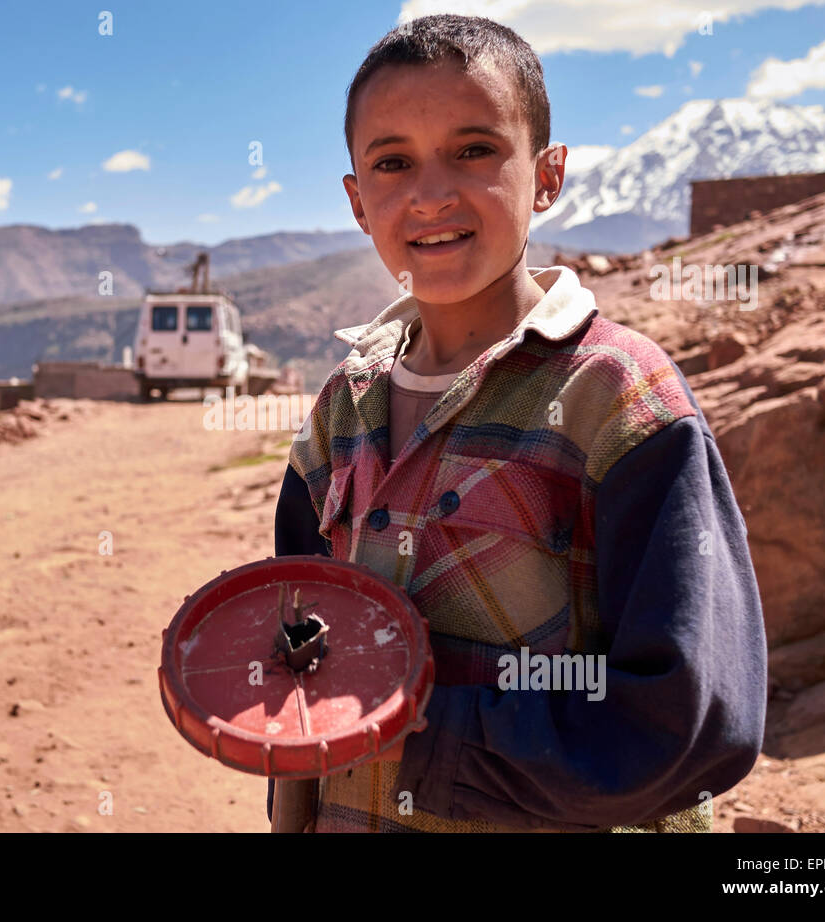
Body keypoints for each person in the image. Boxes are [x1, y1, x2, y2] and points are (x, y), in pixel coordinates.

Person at [268, 14, 767, 833]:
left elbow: (693, 721)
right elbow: (299, 674)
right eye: (392, 163)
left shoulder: (620, 402)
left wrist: (427, 735)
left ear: (547, 175)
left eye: (474, 150)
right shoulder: (340, 410)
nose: (431, 194)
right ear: (358, 201)